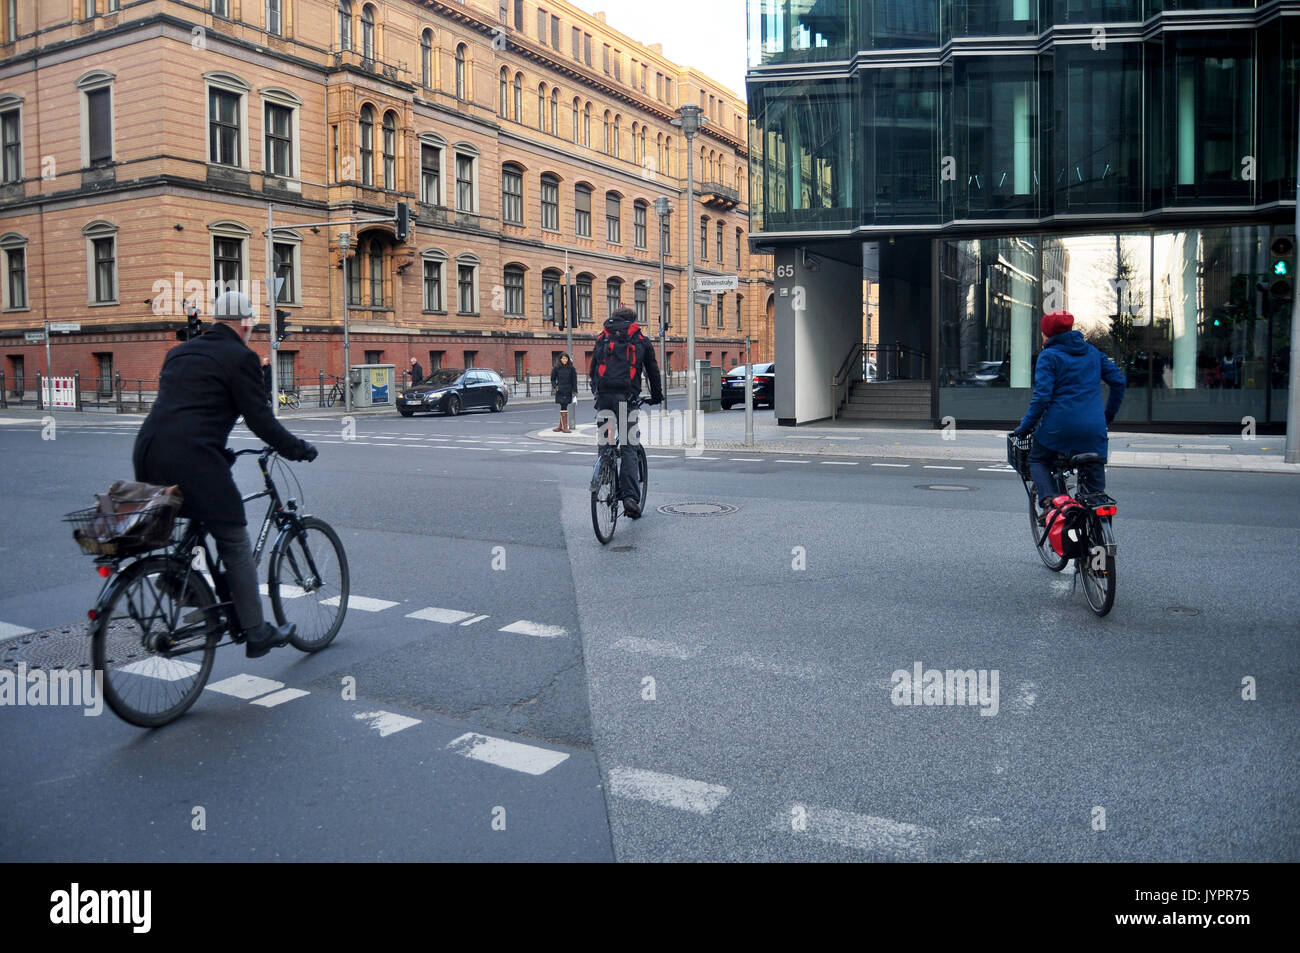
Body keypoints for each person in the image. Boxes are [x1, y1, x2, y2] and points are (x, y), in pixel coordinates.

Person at [133, 291, 319, 659]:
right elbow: (260, 420)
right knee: (233, 540)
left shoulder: (179, 352)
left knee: (186, 523)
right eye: (252, 325)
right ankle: (256, 632)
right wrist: (297, 448)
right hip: (195, 459)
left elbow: (187, 409)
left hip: (149, 451)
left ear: (214, 321)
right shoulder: (241, 357)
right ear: (247, 324)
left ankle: (181, 581)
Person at [1011, 310, 1126, 514]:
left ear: (1048, 335)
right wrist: (1106, 417)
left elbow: (1042, 398)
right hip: (1093, 431)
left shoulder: (1049, 356)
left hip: (1058, 430)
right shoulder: (1093, 353)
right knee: (1096, 495)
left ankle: (1054, 501)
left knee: (1037, 460)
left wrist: (1025, 427)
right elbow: (1118, 382)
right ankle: (1100, 537)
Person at [589, 306, 663, 518]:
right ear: (633, 321)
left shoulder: (602, 337)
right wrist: (657, 396)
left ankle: (603, 472)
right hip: (627, 399)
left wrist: (597, 391)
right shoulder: (640, 340)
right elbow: (652, 372)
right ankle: (630, 498)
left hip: (604, 397)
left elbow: (594, 368)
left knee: (606, 439)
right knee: (629, 446)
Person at [551, 353, 578, 432]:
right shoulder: (556, 368)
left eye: (566, 358)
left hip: (568, 390)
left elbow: (574, 381)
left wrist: (575, 392)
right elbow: (552, 379)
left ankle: (562, 426)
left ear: (568, 359)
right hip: (560, 390)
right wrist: (555, 387)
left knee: (564, 406)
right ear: (560, 359)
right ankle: (564, 427)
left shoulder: (572, 369)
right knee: (563, 406)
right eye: (563, 358)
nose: (564, 360)